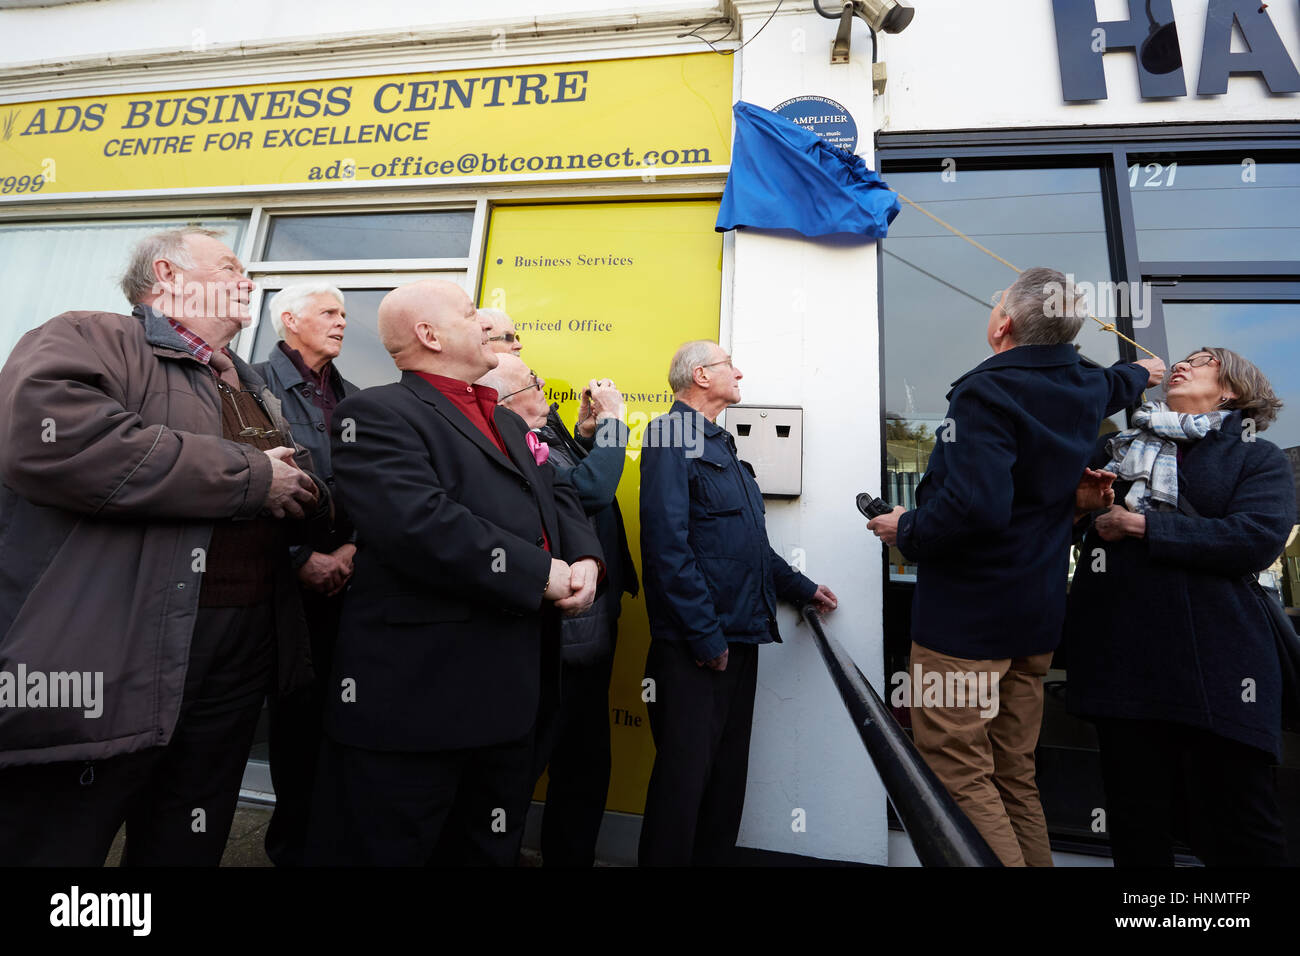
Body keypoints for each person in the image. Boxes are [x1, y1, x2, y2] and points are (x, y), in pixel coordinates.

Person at [0, 227, 324, 865]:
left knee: (187, 834)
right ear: (169, 277)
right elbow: (54, 443)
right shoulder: (90, 335)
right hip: (112, 650)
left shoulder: (250, 380)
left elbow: (292, 480)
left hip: (237, 654)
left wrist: (304, 490)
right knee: (60, 836)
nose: (248, 281)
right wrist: (255, 477)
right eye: (230, 266)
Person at [867, 266, 1163, 867]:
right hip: (1034, 624)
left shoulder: (985, 392)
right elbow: (1118, 382)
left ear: (1002, 325)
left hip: (967, 629)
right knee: (1012, 775)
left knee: (960, 774)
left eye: (996, 303)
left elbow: (975, 509)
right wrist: (1143, 374)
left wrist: (907, 528)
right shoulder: (1087, 386)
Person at [306, 280, 604, 866]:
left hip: (512, 695)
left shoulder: (510, 422)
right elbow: (420, 524)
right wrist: (541, 572)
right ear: (429, 334)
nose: (487, 327)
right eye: (473, 316)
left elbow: (559, 497)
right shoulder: (374, 413)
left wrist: (587, 558)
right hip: (420, 702)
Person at [1066, 347, 1293, 866]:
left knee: (1240, 825)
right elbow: (1061, 529)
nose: (1183, 364)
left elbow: (1256, 538)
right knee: (1136, 827)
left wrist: (1142, 525)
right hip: (1122, 664)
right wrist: (1079, 510)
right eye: (1183, 359)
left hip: (1219, 669)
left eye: (1204, 360)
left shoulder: (1257, 455)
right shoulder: (1114, 450)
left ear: (1232, 389)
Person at [638, 339, 838, 866]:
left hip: (740, 634)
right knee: (685, 783)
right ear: (701, 375)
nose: (740, 372)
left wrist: (802, 588)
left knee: (726, 779)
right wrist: (704, 634)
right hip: (696, 645)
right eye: (730, 365)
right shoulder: (670, 436)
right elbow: (666, 546)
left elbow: (749, 545)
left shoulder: (721, 444)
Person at [482, 355, 639, 867]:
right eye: (530, 378)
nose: (542, 381)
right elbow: (590, 490)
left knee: (586, 758)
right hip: (558, 623)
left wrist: (589, 434)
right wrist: (615, 423)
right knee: (534, 757)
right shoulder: (509, 436)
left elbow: (574, 486)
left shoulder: (547, 430)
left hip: (589, 620)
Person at [254, 282, 359, 867]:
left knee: (340, 718)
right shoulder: (251, 386)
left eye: (344, 313)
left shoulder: (356, 398)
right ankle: (290, 849)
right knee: (294, 723)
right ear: (289, 319)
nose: (343, 322)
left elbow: (377, 490)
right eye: (330, 312)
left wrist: (352, 551)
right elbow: (248, 490)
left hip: (349, 585)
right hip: (280, 592)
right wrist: (300, 560)